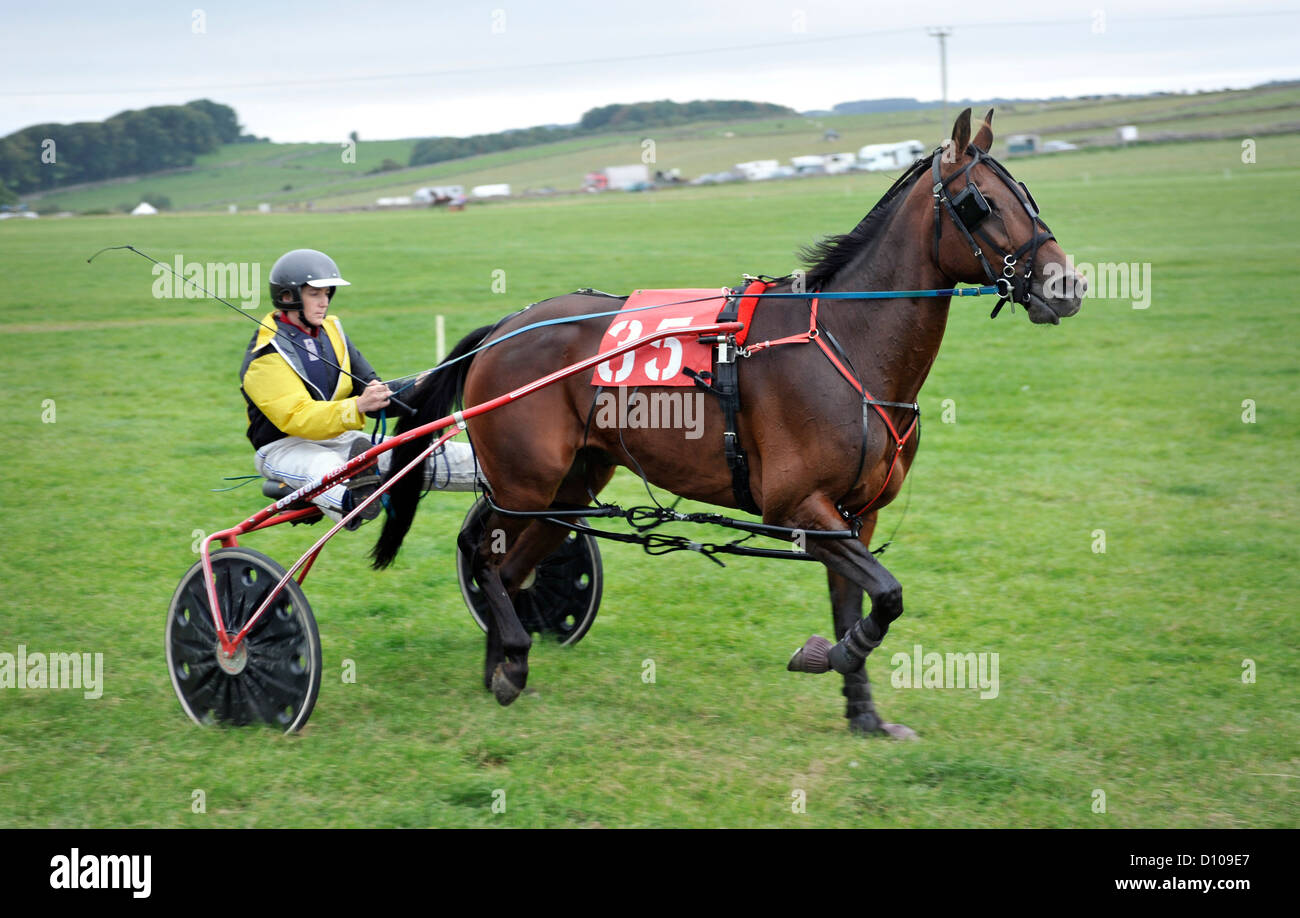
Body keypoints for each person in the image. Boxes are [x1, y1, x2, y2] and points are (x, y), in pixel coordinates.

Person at [239, 248, 479, 527]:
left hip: (347, 441)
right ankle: (355, 501)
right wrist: (358, 406)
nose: (324, 302)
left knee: (430, 453)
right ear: (287, 297)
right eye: (314, 294)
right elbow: (300, 418)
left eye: (327, 293)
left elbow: (373, 392)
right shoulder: (265, 356)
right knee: (323, 467)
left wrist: (420, 387)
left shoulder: (332, 331)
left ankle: (500, 472)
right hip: (286, 448)